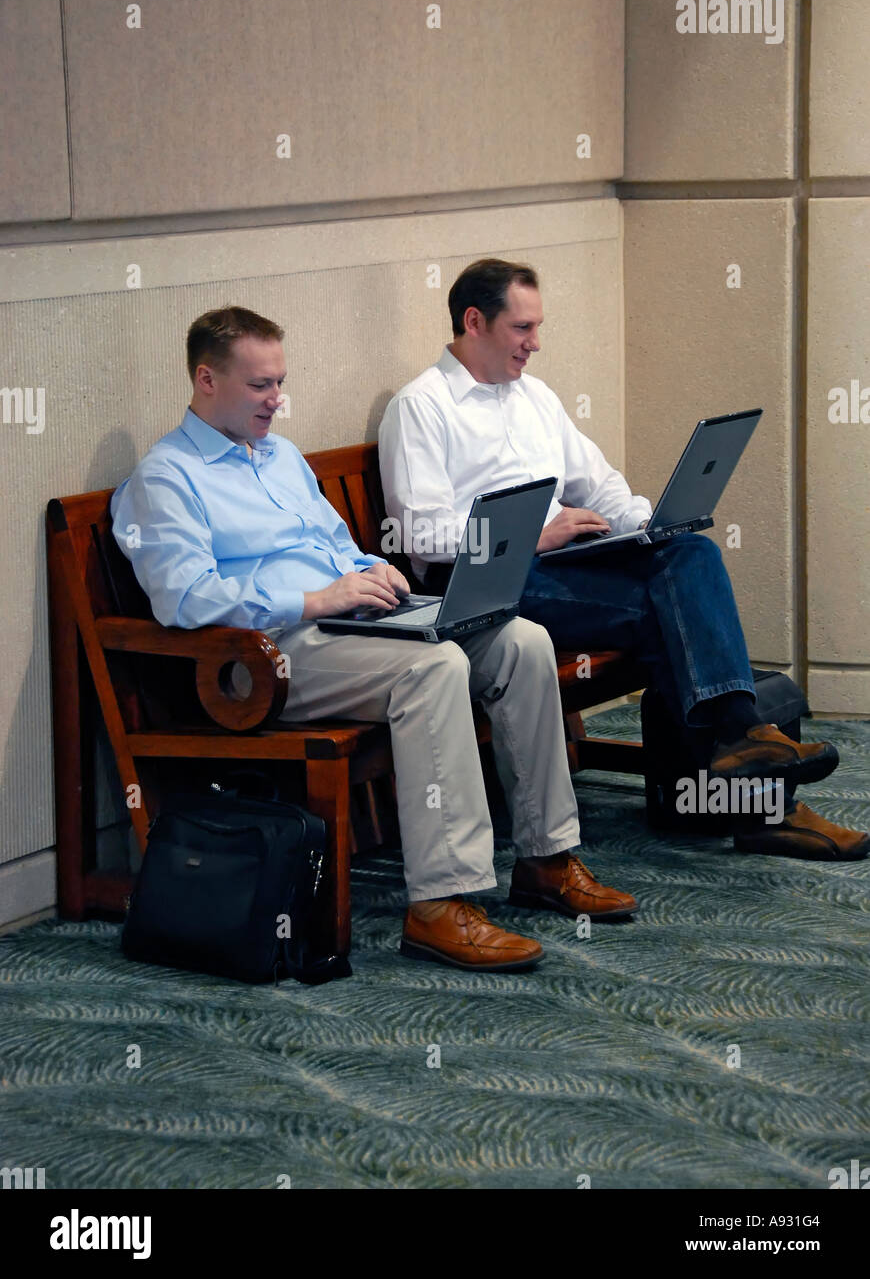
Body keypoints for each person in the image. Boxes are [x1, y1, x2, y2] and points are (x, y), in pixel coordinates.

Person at [111, 305, 640, 975]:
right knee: (436, 669)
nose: (276, 399)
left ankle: (547, 857)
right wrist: (315, 599)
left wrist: (371, 569)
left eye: (281, 383)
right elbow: (183, 598)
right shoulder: (167, 477)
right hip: (263, 657)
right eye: (259, 386)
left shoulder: (280, 457)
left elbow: (335, 546)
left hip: (348, 627)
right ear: (206, 379)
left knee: (520, 640)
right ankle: (441, 905)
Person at [378, 259, 869, 862]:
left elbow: (598, 481)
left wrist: (648, 528)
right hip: (489, 583)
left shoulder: (534, 396)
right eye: (522, 328)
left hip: (564, 561)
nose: (535, 343)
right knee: (671, 615)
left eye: (538, 327)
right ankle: (758, 792)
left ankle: (740, 748)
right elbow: (420, 532)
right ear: (474, 321)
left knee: (689, 552)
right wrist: (536, 533)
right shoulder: (421, 407)